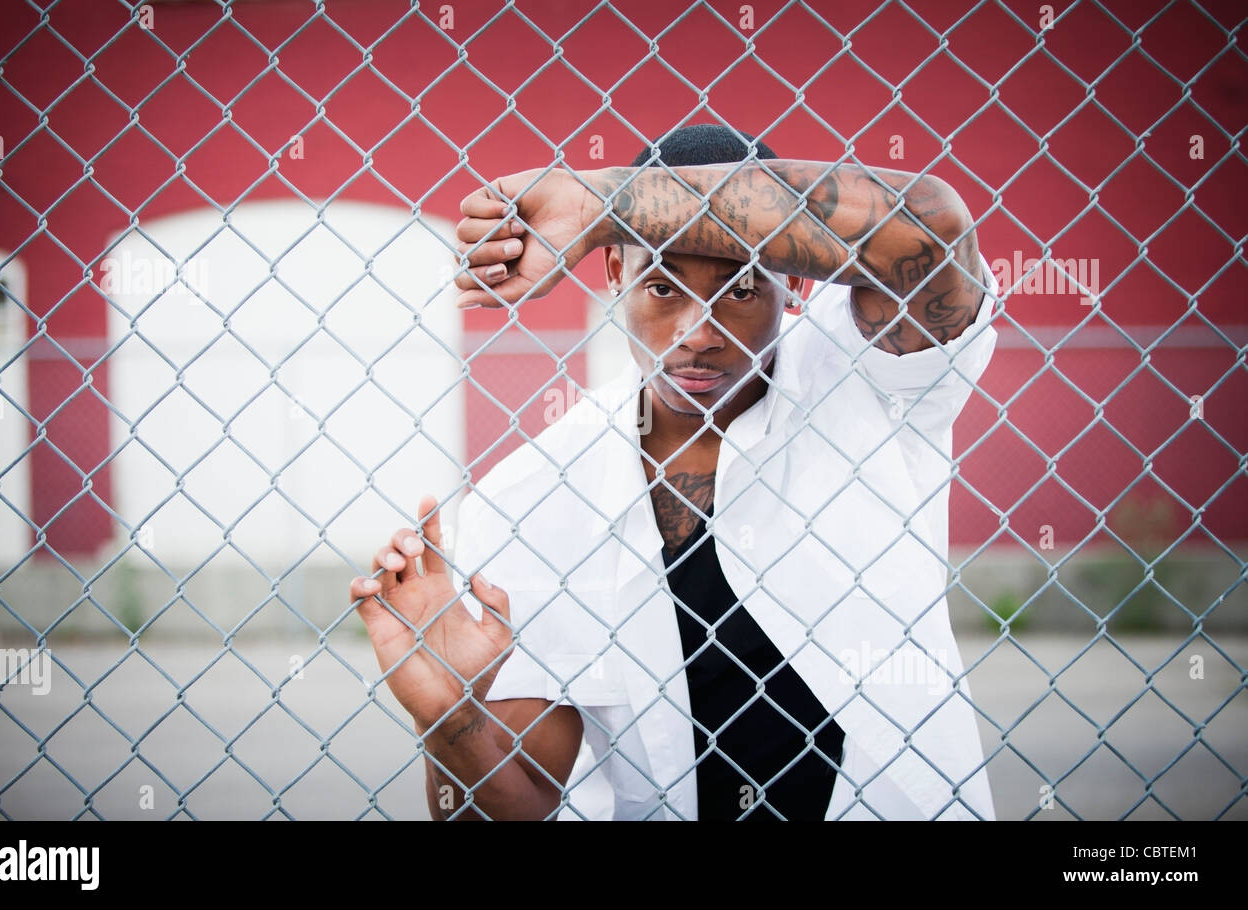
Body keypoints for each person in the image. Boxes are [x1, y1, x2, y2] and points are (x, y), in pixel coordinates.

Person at [349, 124, 1000, 820]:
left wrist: (596, 201)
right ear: (613, 274)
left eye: (742, 288)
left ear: (797, 278)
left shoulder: (868, 379)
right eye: (662, 286)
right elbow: (517, 806)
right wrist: (452, 724)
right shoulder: (530, 500)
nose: (698, 331)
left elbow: (930, 231)